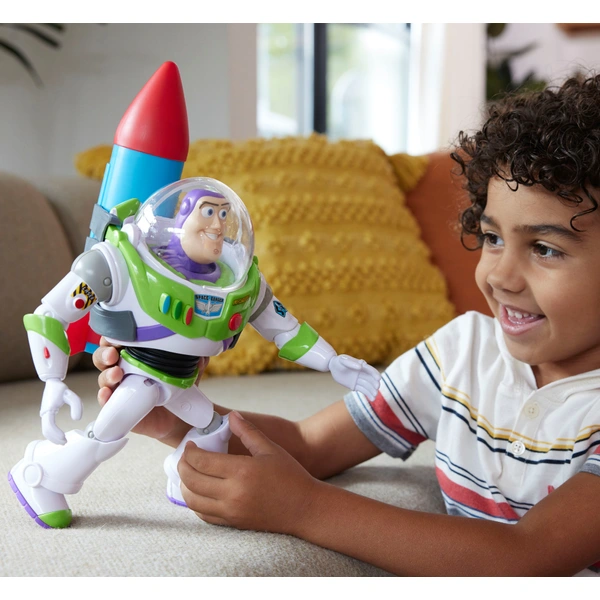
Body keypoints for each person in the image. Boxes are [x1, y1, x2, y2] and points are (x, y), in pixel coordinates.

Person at [93, 74, 600, 576]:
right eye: (492, 238)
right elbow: (310, 444)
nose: (500, 276)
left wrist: (303, 508)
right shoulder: (461, 354)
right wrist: (170, 414)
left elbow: (526, 558)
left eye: (544, 248)